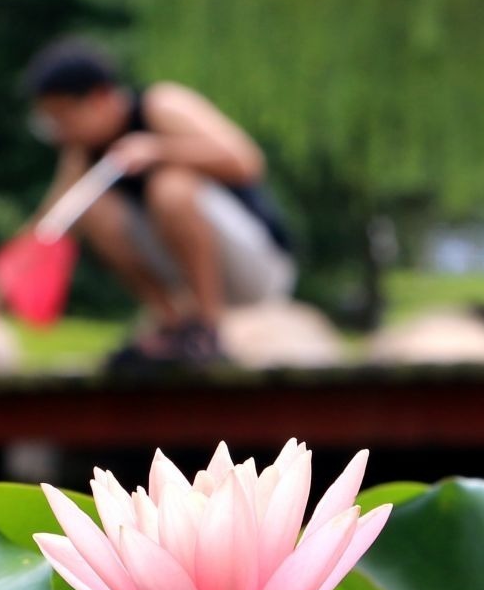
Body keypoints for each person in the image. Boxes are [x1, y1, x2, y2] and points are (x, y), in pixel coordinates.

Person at [23, 39, 295, 366]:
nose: (59, 132)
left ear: (98, 99)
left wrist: (159, 149)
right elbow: (49, 227)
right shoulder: (82, 152)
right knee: (87, 205)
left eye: (62, 118)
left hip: (258, 267)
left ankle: (208, 329)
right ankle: (173, 322)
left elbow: (248, 162)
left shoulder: (162, 105)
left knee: (171, 187)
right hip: (185, 281)